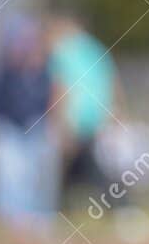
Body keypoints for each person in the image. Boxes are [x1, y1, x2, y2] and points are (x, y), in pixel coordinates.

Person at [0, 14, 59, 237]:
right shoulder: (4, 73)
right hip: (8, 130)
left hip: (36, 129)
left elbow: (52, 99)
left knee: (39, 176)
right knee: (10, 177)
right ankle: (13, 222)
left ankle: (40, 219)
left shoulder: (44, 72)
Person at [46, 14, 118, 206]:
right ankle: (59, 209)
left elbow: (60, 89)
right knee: (79, 165)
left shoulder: (62, 53)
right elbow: (111, 82)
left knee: (87, 165)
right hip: (96, 117)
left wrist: (58, 121)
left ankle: (120, 205)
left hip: (76, 119)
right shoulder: (95, 49)